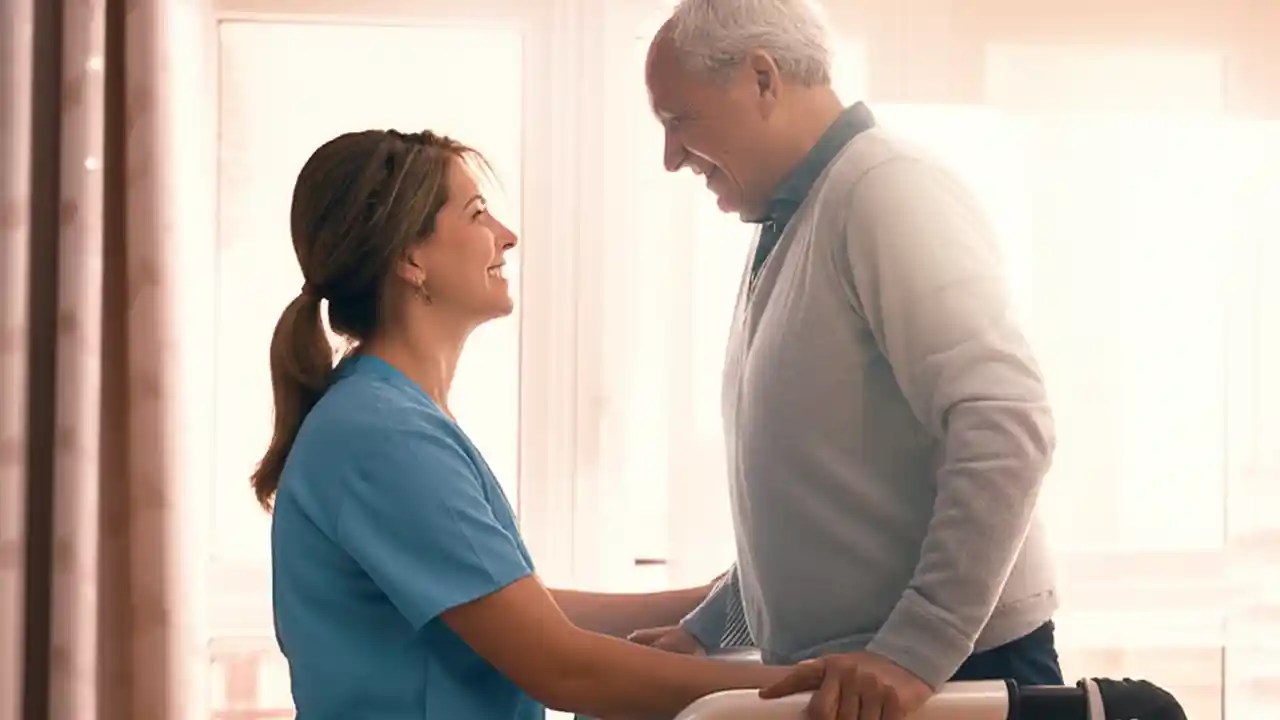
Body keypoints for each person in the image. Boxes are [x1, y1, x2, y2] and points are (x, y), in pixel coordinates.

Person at [254, 128, 823, 719]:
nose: (507, 235)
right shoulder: (383, 437)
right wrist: (810, 686)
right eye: (477, 213)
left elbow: (521, 618)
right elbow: (562, 667)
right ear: (410, 259)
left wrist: (716, 605)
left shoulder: (385, 418)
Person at [631, 1, 1063, 718]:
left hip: (948, 670)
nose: (672, 157)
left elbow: (1006, 424)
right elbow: (823, 506)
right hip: (869, 674)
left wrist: (915, 650)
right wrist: (708, 629)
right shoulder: (798, 220)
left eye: (680, 120)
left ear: (762, 79)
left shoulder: (886, 189)